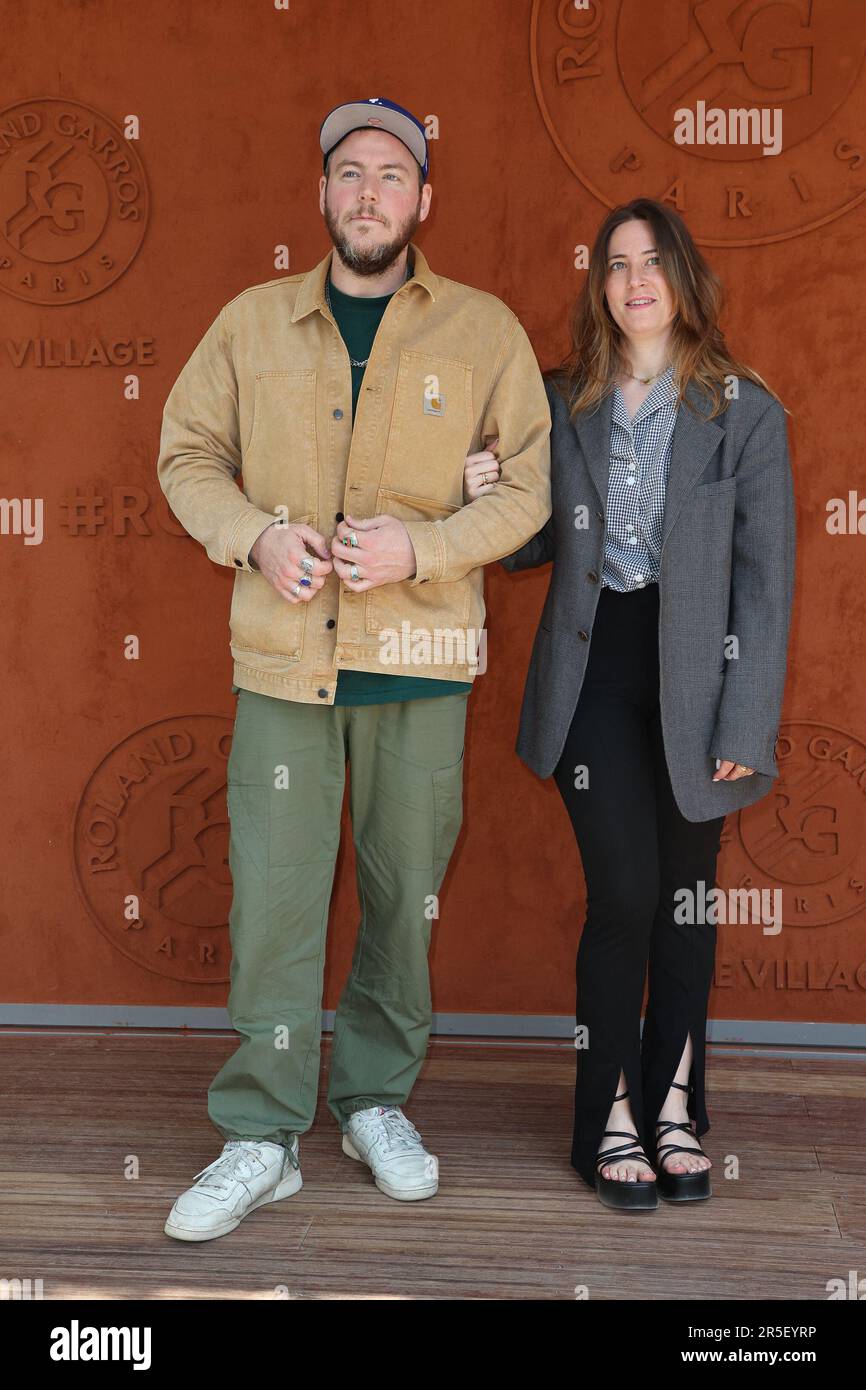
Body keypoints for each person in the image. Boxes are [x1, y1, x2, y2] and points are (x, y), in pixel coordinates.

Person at [156, 97, 551, 1240]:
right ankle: (262, 1134)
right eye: (348, 173)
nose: (368, 192)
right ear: (322, 196)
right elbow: (187, 454)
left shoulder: (480, 333)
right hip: (283, 668)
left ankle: (374, 1099)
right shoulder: (251, 323)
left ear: (423, 200)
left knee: (402, 902)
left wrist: (419, 547)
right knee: (274, 907)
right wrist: (255, 536)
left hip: (420, 666)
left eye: (391, 173)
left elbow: (528, 486)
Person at [464, 198, 795, 1211]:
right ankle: (605, 1114)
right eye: (615, 263)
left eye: (652, 261)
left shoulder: (744, 410)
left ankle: (674, 1111)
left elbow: (762, 582)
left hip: (700, 675)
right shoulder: (557, 401)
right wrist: (484, 484)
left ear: (683, 278)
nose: (634, 279)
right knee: (624, 893)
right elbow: (527, 544)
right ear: (598, 285)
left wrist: (743, 723)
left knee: (686, 902)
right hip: (594, 668)